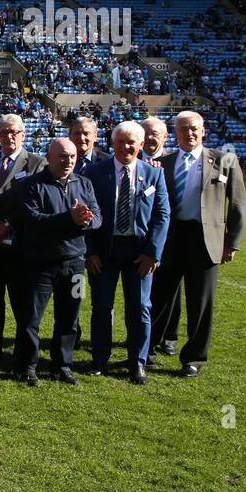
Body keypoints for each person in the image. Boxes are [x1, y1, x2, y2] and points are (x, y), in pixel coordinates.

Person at [149, 111, 246, 377]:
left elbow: (239, 203)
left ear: (203, 130)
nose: (189, 133)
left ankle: (193, 358)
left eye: (194, 128)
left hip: (206, 241)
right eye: (183, 129)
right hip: (170, 239)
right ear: (175, 132)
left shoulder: (224, 161)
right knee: (159, 298)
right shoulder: (163, 163)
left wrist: (232, 243)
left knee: (200, 303)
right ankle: (146, 351)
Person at [83, 121, 170, 384]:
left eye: (131, 142)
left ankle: (138, 362)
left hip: (140, 252)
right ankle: (100, 360)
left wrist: (153, 253)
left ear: (141, 145)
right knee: (101, 307)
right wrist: (90, 252)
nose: (125, 147)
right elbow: (87, 215)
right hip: (105, 251)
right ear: (112, 144)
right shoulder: (95, 173)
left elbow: (162, 215)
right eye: (120, 141)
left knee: (140, 308)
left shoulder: (154, 174)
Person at [12, 138, 101, 387]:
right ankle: (27, 366)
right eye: (62, 156)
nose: (68, 161)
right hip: (40, 265)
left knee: (70, 317)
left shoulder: (83, 183)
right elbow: (33, 221)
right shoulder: (32, 185)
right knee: (31, 318)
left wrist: (87, 220)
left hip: (75, 265)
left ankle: (62, 365)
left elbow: (98, 218)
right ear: (48, 157)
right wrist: (70, 219)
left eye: (72, 156)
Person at [0, 114, 45, 363]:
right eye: (4, 132)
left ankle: (23, 355)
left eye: (14, 132)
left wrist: (8, 224)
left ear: (23, 134)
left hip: (20, 248)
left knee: (22, 304)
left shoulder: (36, 164)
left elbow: (34, 202)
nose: (9, 136)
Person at [140, 115, 175, 359]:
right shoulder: (132, 160)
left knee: (169, 289)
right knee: (143, 295)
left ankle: (167, 336)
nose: (151, 137)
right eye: (147, 133)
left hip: (169, 238)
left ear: (165, 137)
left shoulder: (174, 163)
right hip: (137, 237)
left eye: (156, 133)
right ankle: (146, 339)